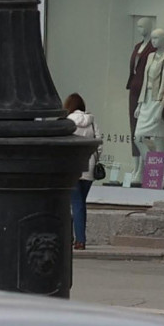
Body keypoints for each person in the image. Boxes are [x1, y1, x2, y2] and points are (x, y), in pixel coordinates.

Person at [61, 94, 96, 250]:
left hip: (72, 166)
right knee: (80, 203)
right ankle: (79, 238)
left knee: (74, 203)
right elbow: (99, 143)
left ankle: (77, 239)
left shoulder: (66, 122)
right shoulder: (92, 122)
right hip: (89, 167)